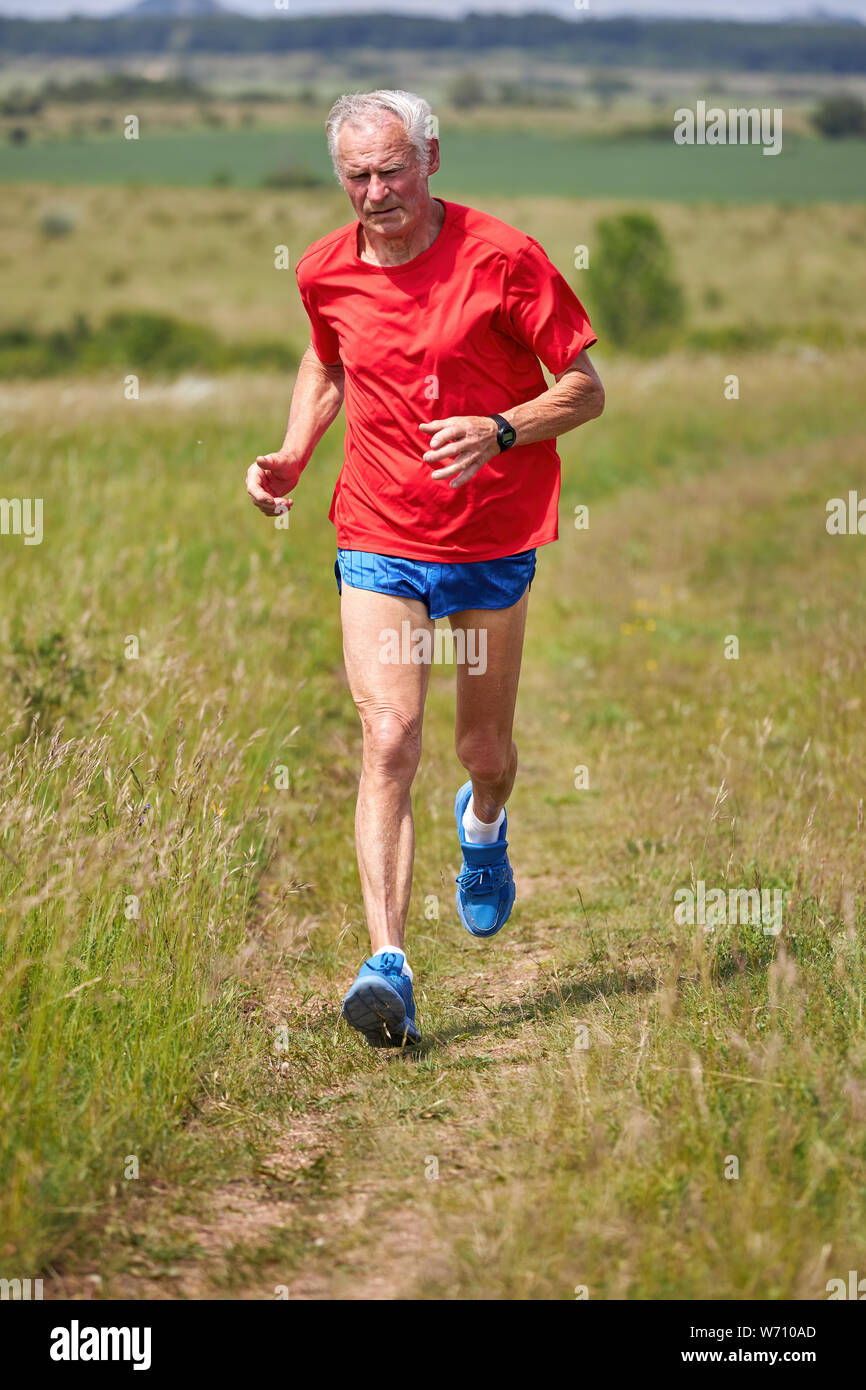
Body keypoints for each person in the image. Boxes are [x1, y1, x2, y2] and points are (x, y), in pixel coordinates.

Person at [246, 89, 605, 1048]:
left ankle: (482, 828)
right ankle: (389, 966)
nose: (375, 192)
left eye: (392, 169)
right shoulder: (324, 270)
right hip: (378, 533)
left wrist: (501, 430)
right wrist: (291, 453)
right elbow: (326, 365)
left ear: (432, 159)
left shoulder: (503, 257)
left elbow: (584, 387)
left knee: (481, 752)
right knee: (389, 737)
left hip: (491, 536)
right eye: (356, 176)